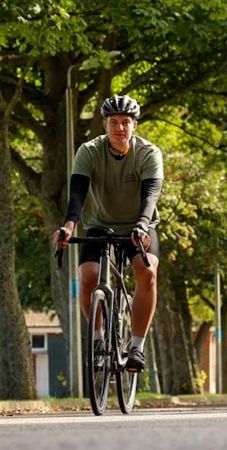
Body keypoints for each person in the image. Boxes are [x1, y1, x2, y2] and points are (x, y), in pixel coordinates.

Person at [51, 94, 163, 373]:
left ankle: (136, 345)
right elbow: (77, 193)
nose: (120, 128)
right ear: (104, 125)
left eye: (126, 122)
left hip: (140, 225)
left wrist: (142, 225)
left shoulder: (149, 153)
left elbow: (151, 194)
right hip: (99, 224)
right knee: (88, 276)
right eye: (114, 122)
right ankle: (99, 339)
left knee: (147, 273)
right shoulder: (89, 151)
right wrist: (68, 227)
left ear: (135, 125)